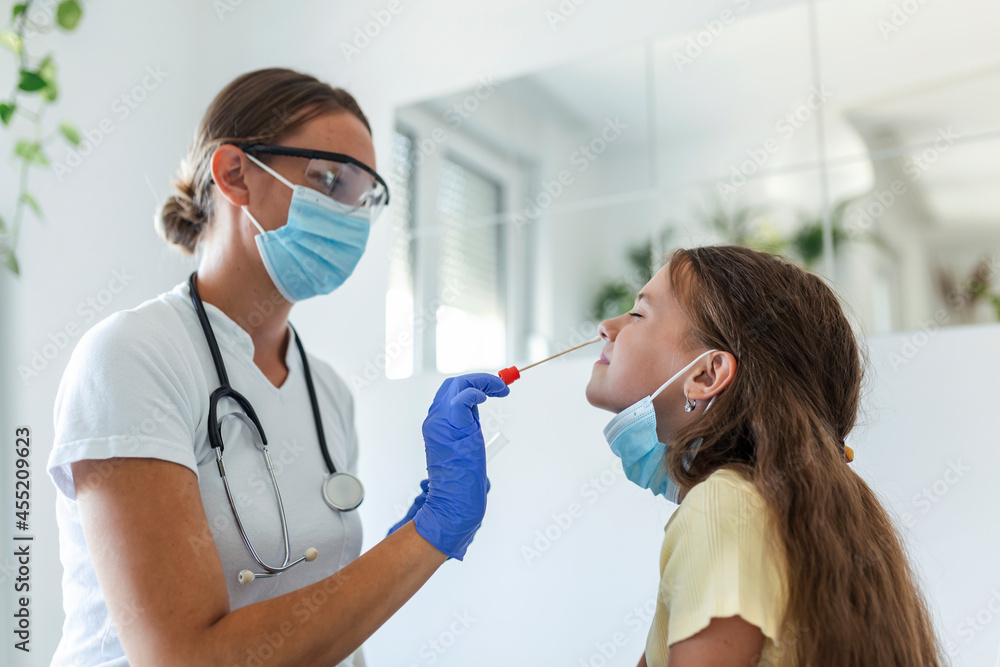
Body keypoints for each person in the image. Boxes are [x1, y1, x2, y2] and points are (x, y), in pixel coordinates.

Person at [44, 67, 508, 666]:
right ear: (236, 173)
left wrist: (422, 530)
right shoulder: (133, 356)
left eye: (366, 196)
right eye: (331, 180)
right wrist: (429, 533)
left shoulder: (329, 392)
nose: (353, 214)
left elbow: (327, 621)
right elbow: (184, 657)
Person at [586, 245, 943, 666]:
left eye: (639, 314)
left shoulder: (722, 509)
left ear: (707, 374)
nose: (606, 328)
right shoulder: (765, 506)